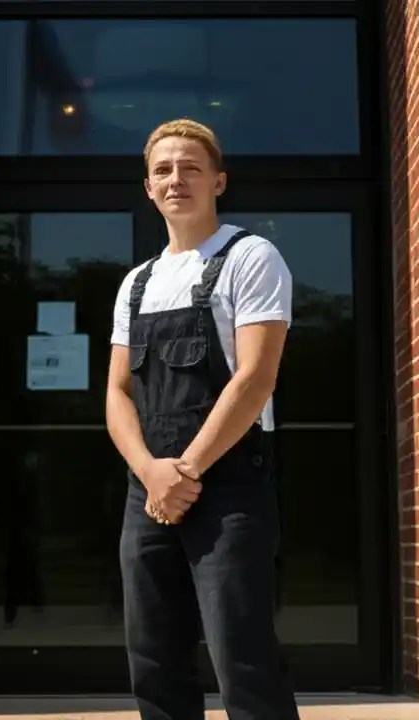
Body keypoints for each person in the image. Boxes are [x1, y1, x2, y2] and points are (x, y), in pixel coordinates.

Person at [105, 118, 301, 720]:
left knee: (241, 653)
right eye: (163, 170)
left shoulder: (250, 257)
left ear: (218, 181)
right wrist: (150, 471)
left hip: (229, 479)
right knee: (154, 654)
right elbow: (117, 392)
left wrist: (185, 471)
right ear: (148, 188)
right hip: (149, 487)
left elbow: (255, 378)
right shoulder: (136, 283)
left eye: (191, 167)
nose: (176, 179)